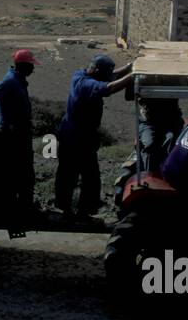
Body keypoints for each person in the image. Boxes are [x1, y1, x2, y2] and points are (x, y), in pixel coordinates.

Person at [54, 56, 133, 217]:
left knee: (69, 174)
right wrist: (132, 76)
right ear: (97, 72)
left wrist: (127, 68)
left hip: (73, 135)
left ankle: (65, 209)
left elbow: (107, 78)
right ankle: (78, 212)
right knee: (87, 177)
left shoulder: (80, 74)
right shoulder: (86, 85)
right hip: (78, 138)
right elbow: (108, 88)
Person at [0, 49, 40, 213]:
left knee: (20, 171)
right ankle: (20, 207)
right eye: (31, 65)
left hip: (19, 132)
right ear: (22, 66)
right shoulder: (10, 81)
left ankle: (21, 205)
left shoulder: (18, 80)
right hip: (13, 135)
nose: (33, 69)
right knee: (21, 171)